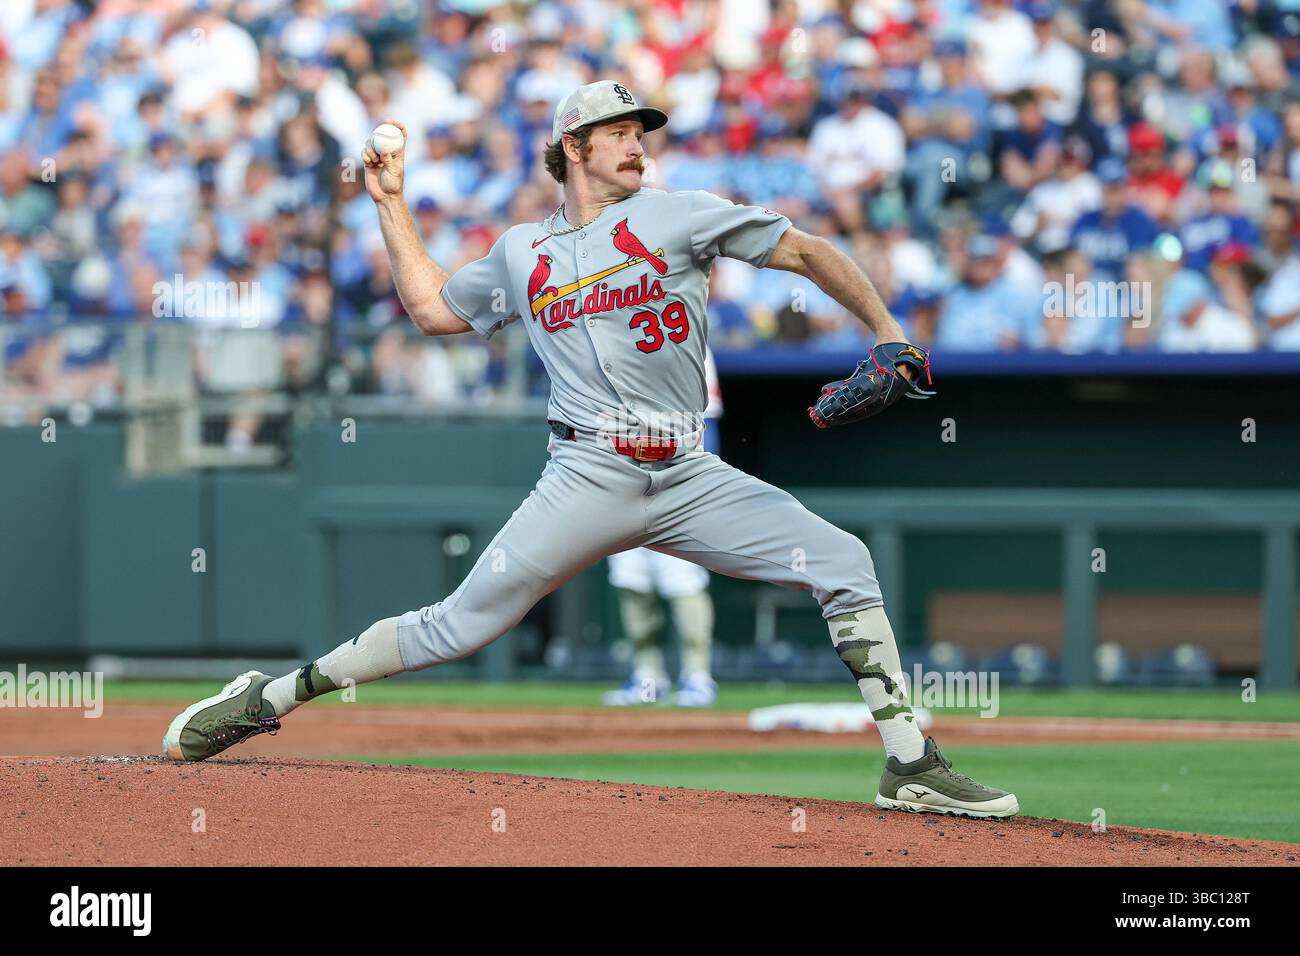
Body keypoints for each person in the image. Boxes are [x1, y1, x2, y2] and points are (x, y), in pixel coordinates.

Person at [163, 81, 1019, 819]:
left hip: (688, 473)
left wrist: (887, 333)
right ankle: (268, 697)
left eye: (641, 133)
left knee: (843, 561)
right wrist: (390, 204)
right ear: (572, 147)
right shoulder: (520, 251)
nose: (637, 146)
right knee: (455, 628)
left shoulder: (680, 213)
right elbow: (431, 312)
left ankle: (911, 765)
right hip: (587, 471)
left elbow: (804, 250)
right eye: (618, 133)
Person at [603, 348, 722, 708]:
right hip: (625, 484)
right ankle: (647, 677)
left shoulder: (689, 340)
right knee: (632, 582)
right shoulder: (608, 338)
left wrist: (699, 482)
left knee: (684, 584)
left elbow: (709, 422)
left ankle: (698, 676)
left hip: (676, 482)